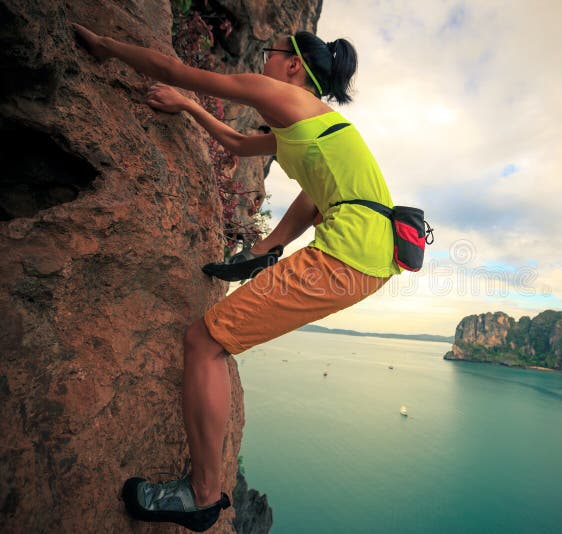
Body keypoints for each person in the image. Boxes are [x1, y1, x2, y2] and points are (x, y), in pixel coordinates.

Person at [72, 22, 400, 531]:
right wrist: (268, 246)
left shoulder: (283, 98)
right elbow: (247, 148)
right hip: (367, 258)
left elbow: (177, 70)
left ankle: (200, 496)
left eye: (269, 53)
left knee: (204, 342)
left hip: (347, 256)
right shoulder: (312, 127)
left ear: (292, 64)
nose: (262, 60)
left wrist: (105, 45)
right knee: (211, 340)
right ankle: (200, 488)